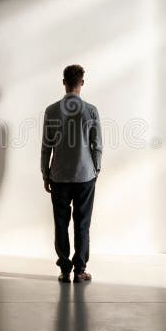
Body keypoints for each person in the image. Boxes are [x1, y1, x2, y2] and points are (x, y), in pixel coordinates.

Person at [41, 64, 102, 283]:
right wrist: (97, 168)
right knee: (82, 224)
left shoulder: (52, 110)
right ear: (82, 83)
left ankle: (65, 270)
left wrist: (45, 173)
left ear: (64, 82)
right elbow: (97, 145)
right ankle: (80, 271)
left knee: (60, 223)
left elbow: (46, 147)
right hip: (85, 175)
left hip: (59, 175)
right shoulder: (91, 110)